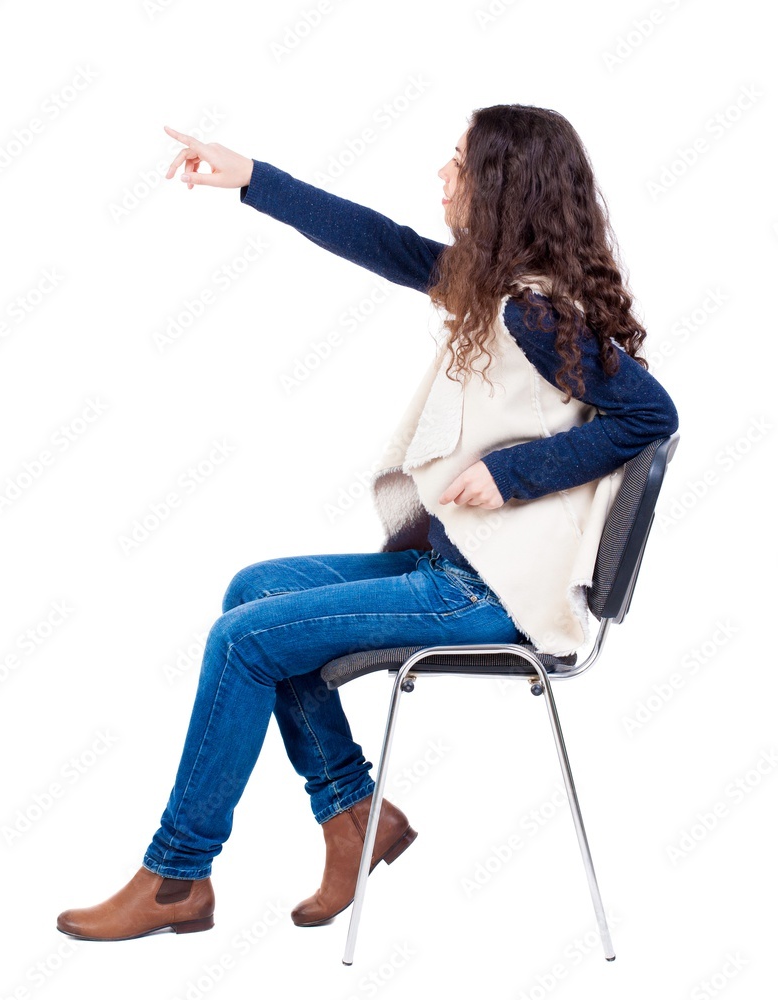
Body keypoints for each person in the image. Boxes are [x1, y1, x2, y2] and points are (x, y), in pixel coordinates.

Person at [56, 104, 678, 941]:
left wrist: (510, 472)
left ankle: (177, 874)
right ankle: (356, 819)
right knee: (254, 592)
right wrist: (253, 179)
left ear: (498, 185)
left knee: (243, 640)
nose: (442, 173)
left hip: (489, 597)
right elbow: (380, 242)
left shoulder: (536, 312)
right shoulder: (498, 287)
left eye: (458, 161)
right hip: (457, 570)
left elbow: (651, 413)